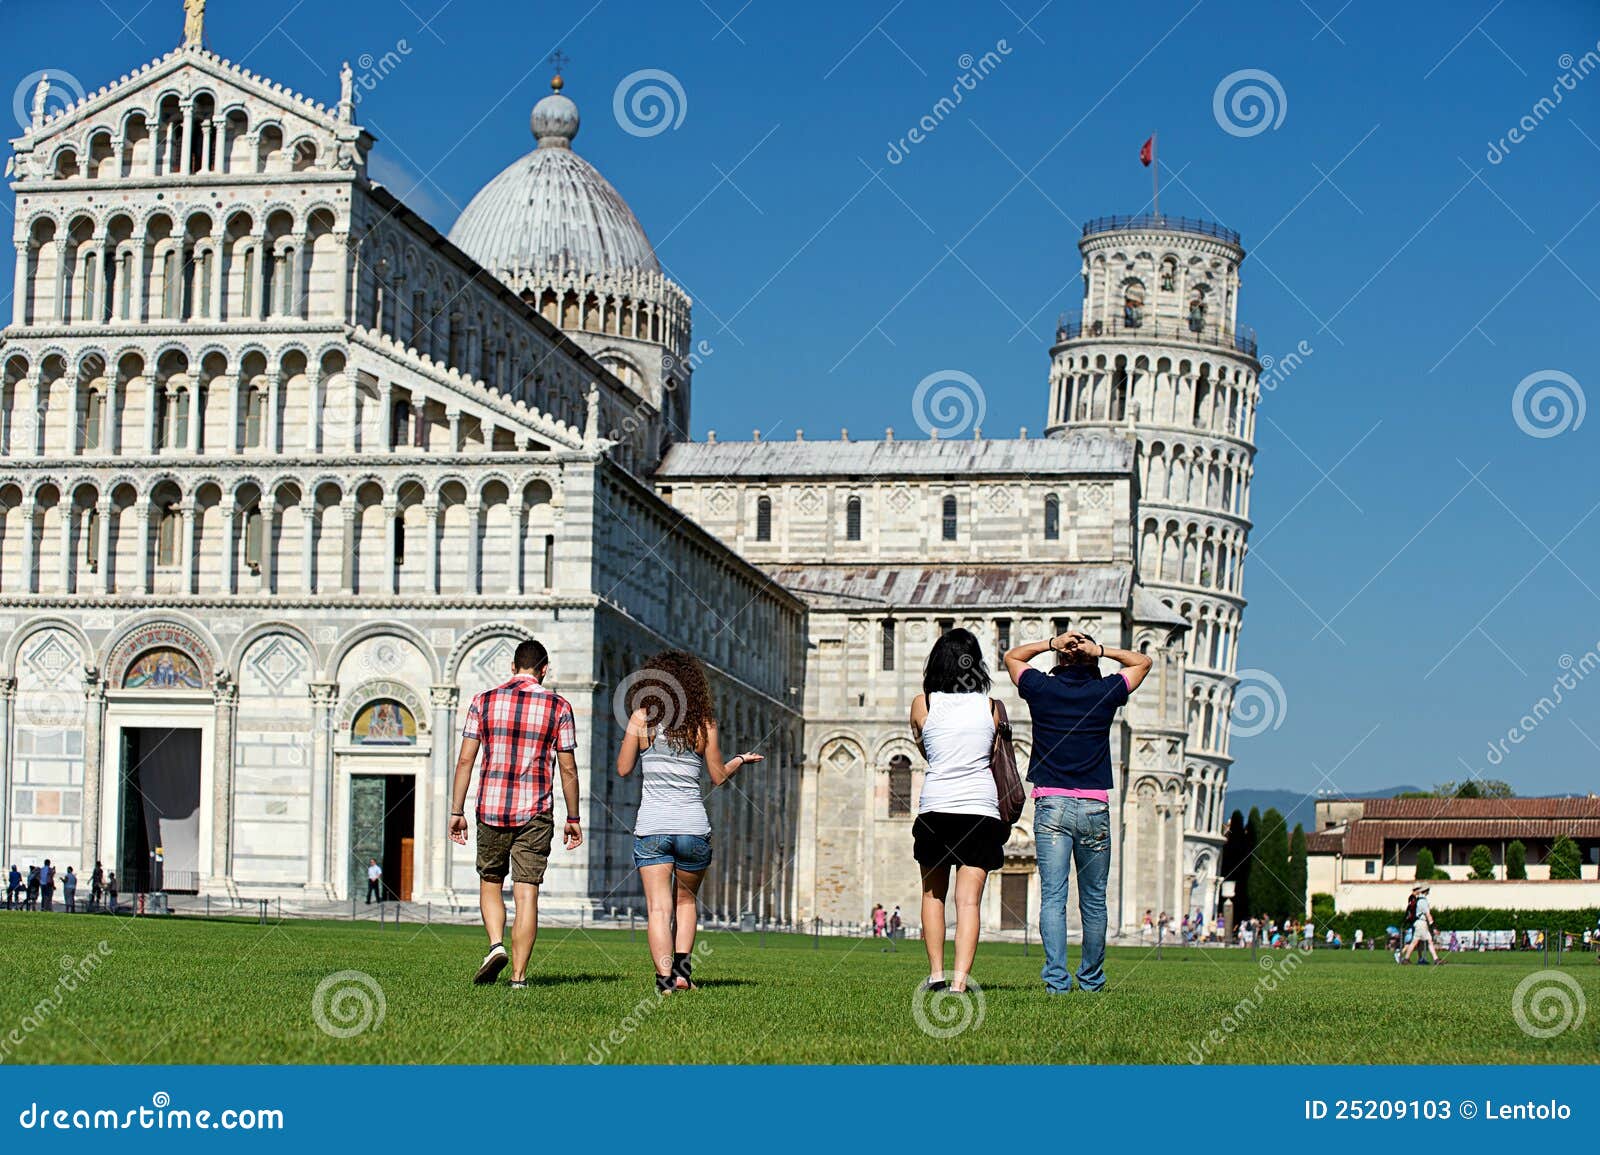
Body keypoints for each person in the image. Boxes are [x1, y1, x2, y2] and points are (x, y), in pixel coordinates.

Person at [1005, 628, 1150, 994]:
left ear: (1060, 659)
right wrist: (1100, 650)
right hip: (1094, 806)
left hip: (1051, 804)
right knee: (1094, 900)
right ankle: (1091, 979)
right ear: (1091, 661)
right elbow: (1143, 662)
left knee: (1053, 898)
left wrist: (1051, 643)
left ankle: (1057, 981)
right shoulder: (1105, 691)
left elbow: (1012, 657)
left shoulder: (1042, 688)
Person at [617, 649, 762, 993]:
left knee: (658, 908)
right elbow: (718, 777)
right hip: (693, 827)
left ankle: (664, 980)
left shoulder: (642, 718)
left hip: (653, 826)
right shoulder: (704, 724)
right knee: (685, 902)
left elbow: (623, 768)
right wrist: (739, 760)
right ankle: (683, 974)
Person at [450, 638, 582, 990]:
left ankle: (496, 945)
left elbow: (465, 760)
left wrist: (456, 810)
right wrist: (573, 818)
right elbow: (568, 769)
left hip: (491, 808)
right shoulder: (559, 706)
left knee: (491, 881)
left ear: (512, 666)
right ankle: (519, 979)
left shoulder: (483, 701)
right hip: (536, 812)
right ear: (544, 670)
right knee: (527, 893)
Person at [910, 628, 1005, 995]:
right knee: (968, 903)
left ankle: (936, 975)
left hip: (937, 806)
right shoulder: (991, 707)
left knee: (932, 896)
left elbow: (926, 751)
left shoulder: (923, 704)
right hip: (980, 809)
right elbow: (992, 753)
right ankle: (961, 982)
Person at [1401, 886, 1441, 965]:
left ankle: (1406, 959)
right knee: (1423, 941)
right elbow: (1428, 914)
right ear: (1426, 891)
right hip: (1421, 923)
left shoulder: (1418, 900)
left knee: (1421, 941)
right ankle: (1436, 959)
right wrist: (1433, 927)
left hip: (1419, 923)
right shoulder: (1423, 901)